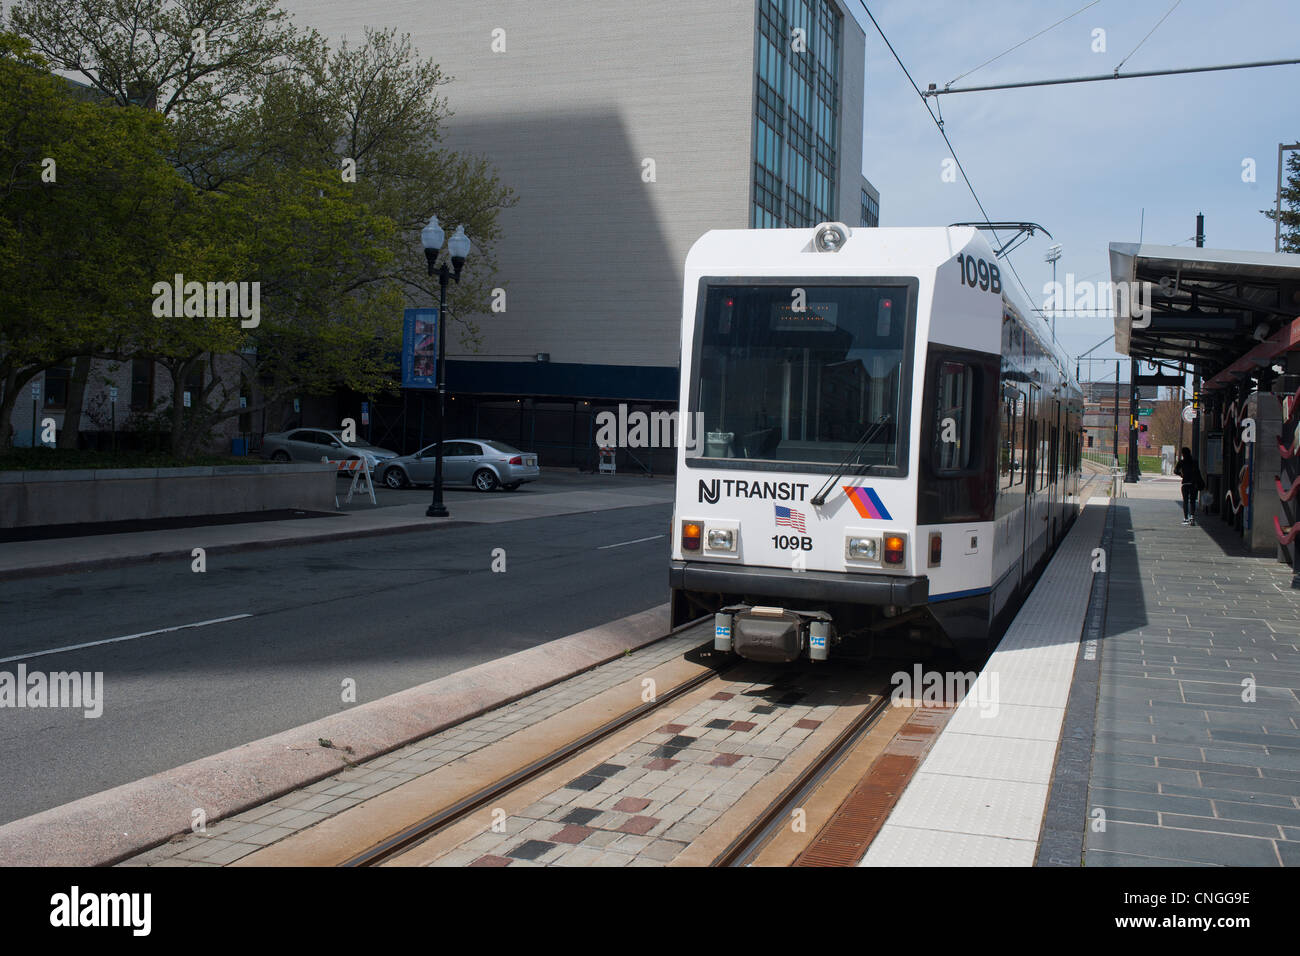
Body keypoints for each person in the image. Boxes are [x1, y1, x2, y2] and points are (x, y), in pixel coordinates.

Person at [1173, 446, 1204, 525]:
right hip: (1193, 484)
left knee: (1185, 501)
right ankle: (1192, 517)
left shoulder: (1181, 462)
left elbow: (1175, 471)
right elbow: (1198, 472)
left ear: (1183, 454)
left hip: (1185, 483)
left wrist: (1181, 474)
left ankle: (1186, 518)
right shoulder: (1195, 462)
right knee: (1193, 501)